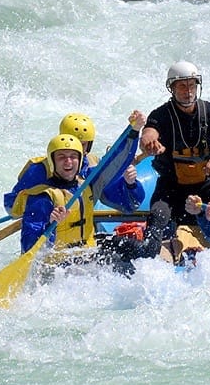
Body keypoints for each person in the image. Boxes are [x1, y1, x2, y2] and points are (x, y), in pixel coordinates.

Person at [10, 112, 168, 275]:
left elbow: (121, 188)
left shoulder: (89, 176)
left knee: (134, 250)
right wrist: (49, 222)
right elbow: (28, 240)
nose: (69, 161)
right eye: (63, 156)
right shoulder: (42, 193)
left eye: (78, 151)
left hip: (85, 248)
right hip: (58, 259)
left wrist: (130, 184)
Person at [139, 60, 210, 251]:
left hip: (207, 181)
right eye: (182, 86)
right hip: (172, 185)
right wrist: (149, 142)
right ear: (172, 88)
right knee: (157, 216)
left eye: (191, 85)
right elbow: (148, 133)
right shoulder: (160, 115)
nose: (188, 91)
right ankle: (151, 255)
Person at [4, 112, 144, 215]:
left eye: (82, 145)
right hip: (52, 237)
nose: (76, 151)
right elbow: (11, 206)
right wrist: (41, 207)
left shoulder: (92, 168)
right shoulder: (38, 170)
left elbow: (129, 205)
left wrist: (130, 185)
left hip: (84, 240)